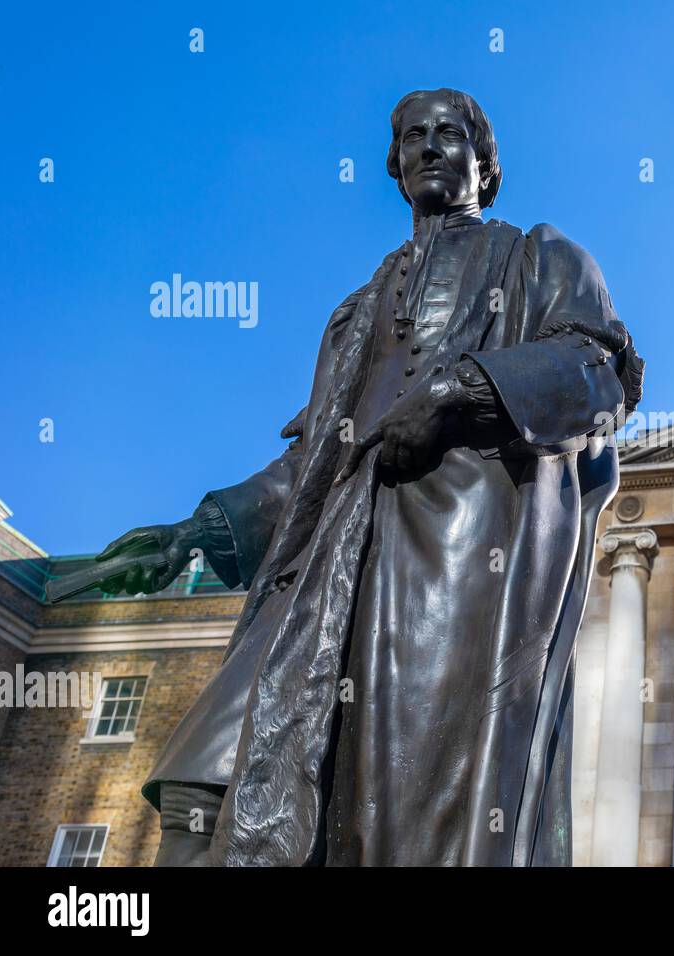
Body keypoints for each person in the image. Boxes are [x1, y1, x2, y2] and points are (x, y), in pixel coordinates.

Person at [93, 88, 644, 866]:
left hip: (459, 561)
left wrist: (464, 389)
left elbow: (595, 371)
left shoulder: (539, 258)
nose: (428, 147)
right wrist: (199, 530)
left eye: (449, 134)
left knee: (404, 812)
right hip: (330, 562)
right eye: (412, 136)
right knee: (202, 784)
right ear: (393, 164)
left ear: (483, 161)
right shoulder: (356, 314)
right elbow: (313, 459)